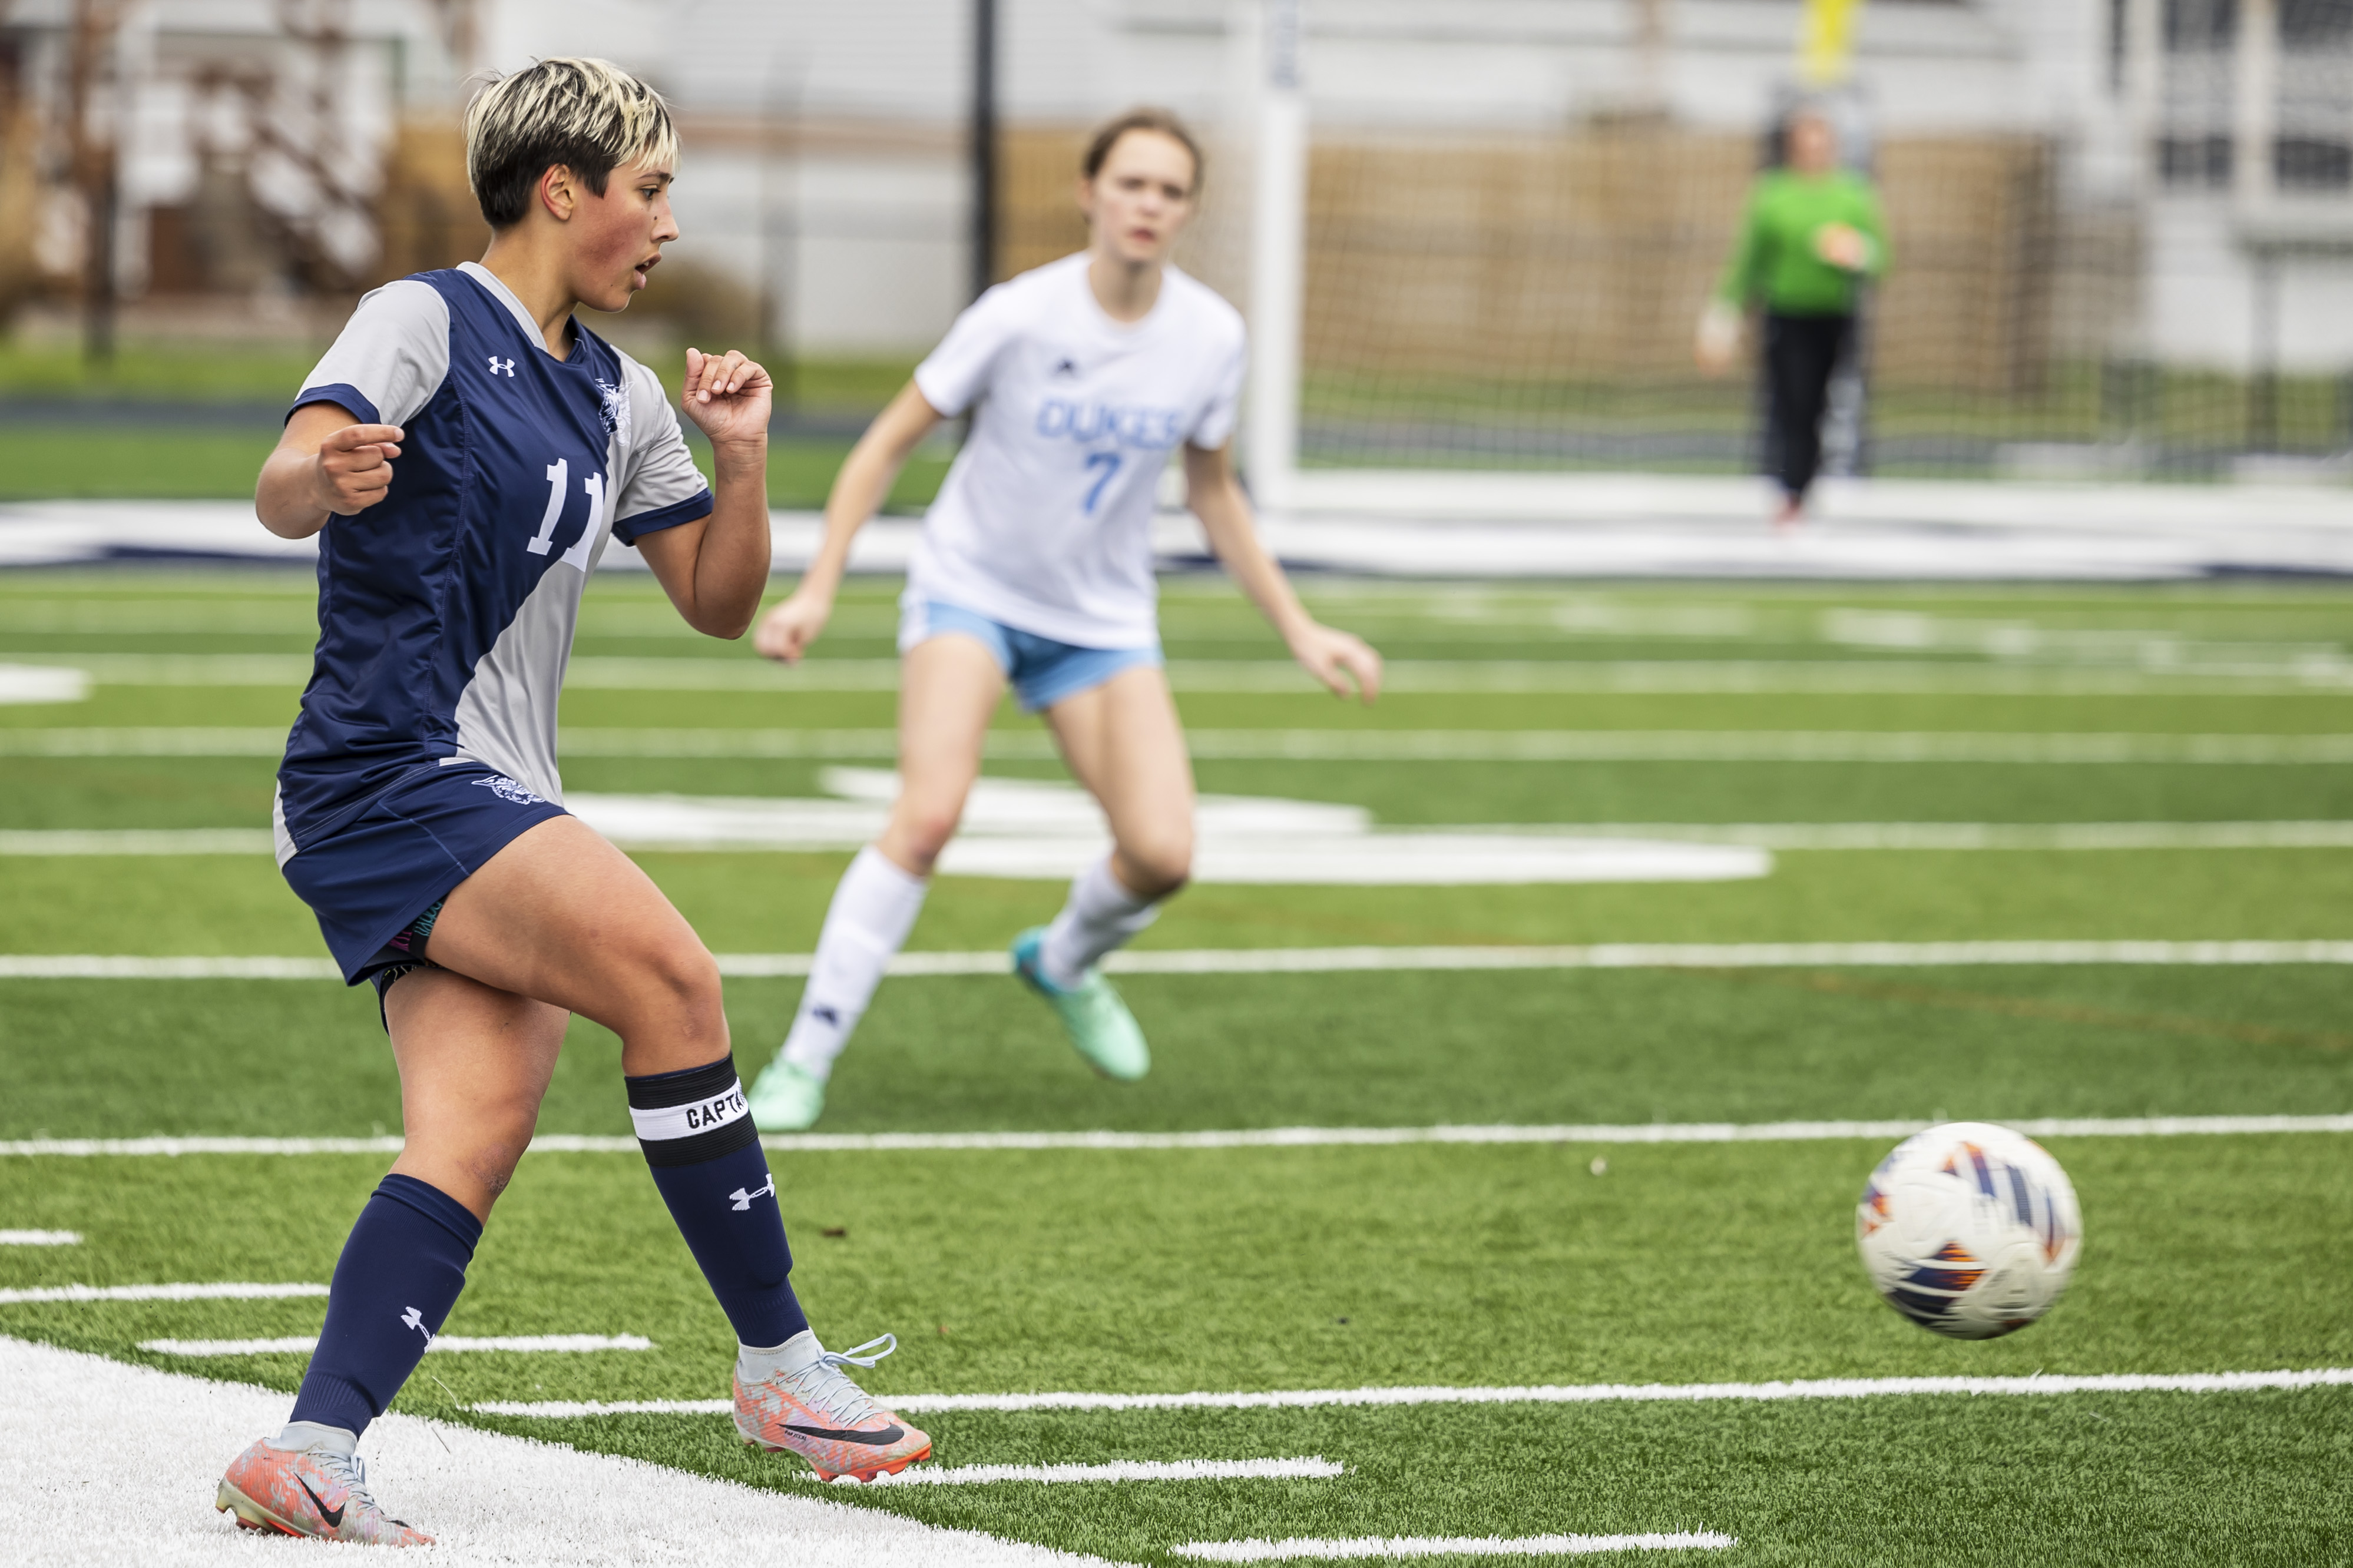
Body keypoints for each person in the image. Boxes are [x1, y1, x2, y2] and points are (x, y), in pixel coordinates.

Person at [214, 59, 929, 1547]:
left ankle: (313, 1448)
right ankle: (782, 1368)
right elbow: (286, 480)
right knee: (674, 975)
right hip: (387, 773)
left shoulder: (623, 395)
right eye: (650, 189)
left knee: (472, 1129)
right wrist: (319, 474)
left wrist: (740, 463)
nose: (666, 223)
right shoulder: (421, 318)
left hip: (471, 793)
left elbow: (718, 604)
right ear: (563, 190)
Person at [742, 107, 1382, 1133]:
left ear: (1189, 212)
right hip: (972, 591)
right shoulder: (1019, 314)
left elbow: (1215, 493)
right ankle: (803, 1056)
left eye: (1170, 191)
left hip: (1103, 618)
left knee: (1164, 853)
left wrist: (1303, 629)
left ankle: (1063, 959)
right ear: (1090, 192)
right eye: (1131, 183)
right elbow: (884, 445)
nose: (1148, 206)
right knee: (928, 815)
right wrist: (819, 586)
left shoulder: (1212, 336)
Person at [1696, 103, 1889, 527]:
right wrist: (1723, 313)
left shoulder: (1851, 193)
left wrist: (1855, 252)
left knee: (1819, 404)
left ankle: (1804, 487)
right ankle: (1791, 492)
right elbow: (1749, 261)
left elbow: (1881, 259)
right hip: (1786, 315)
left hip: (1833, 316)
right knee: (1790, 403)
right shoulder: (1773, 194)